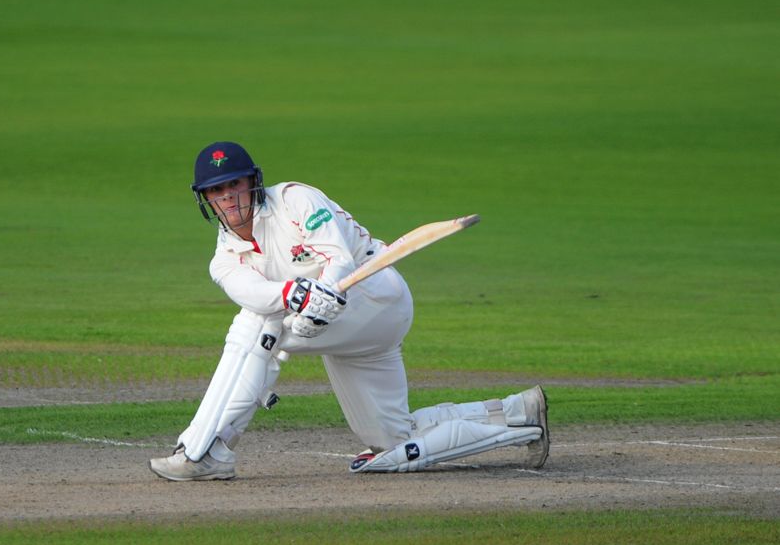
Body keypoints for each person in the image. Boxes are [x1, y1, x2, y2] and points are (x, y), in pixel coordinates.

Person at [148, 141, 549, 480]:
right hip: (343, 335)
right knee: (393, 441)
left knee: (256, 329)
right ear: (205, 199)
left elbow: (338, 259)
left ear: (254, 182)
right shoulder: (223, 259)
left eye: (234, 184)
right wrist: (299, 299)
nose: (228, 198)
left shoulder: (294, 200)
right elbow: (252, 293)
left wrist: (322, 297)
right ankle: (519, 415)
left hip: (374, 297)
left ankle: (205, 450)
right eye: (217, 191)